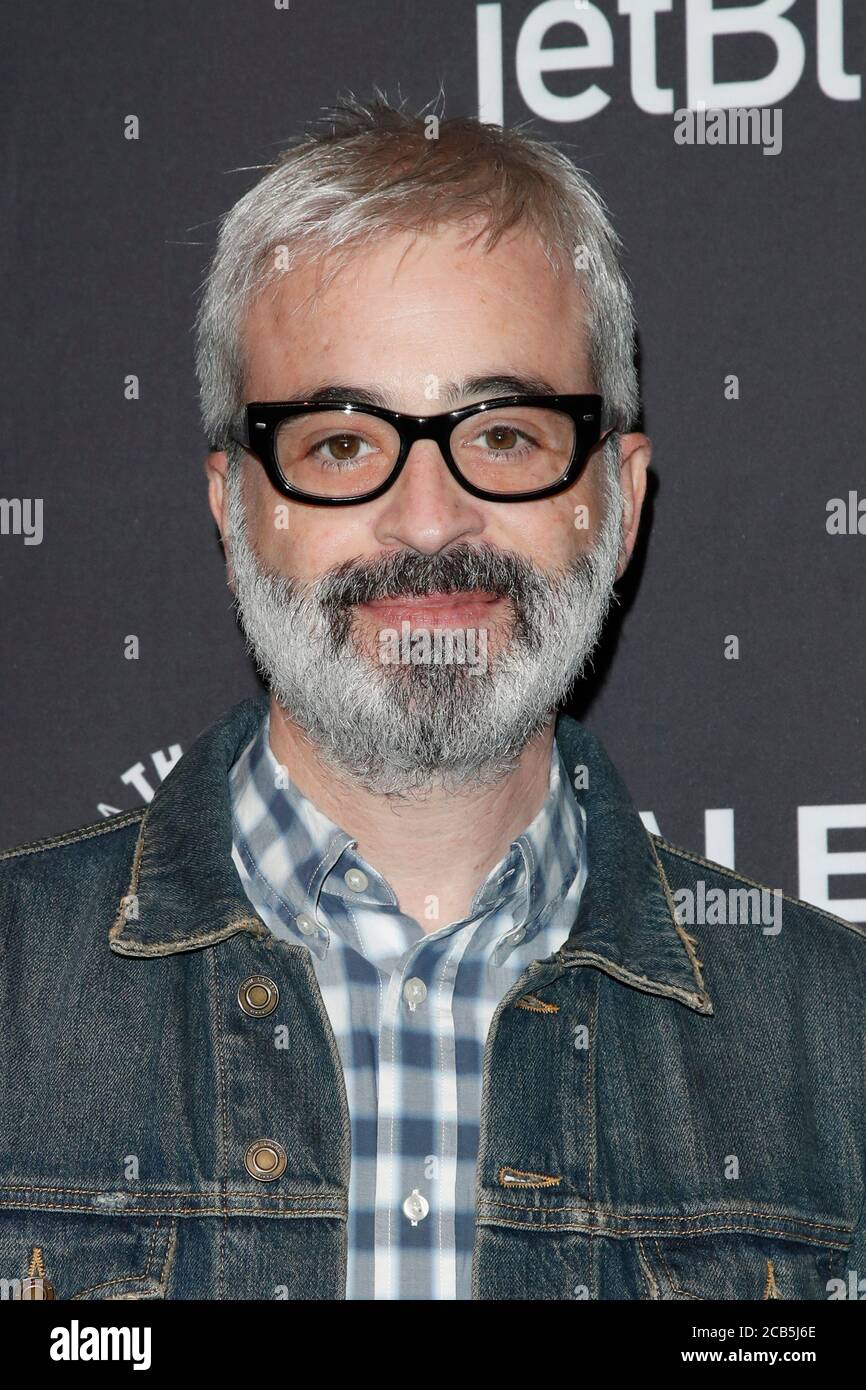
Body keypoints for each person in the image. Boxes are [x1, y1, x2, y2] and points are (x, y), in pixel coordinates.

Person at [1, 93, 864, 1303]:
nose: (426, 519)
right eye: (342, 442)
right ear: (233, 507)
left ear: (614, 506)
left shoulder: (838, 1056)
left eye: (504, 435)